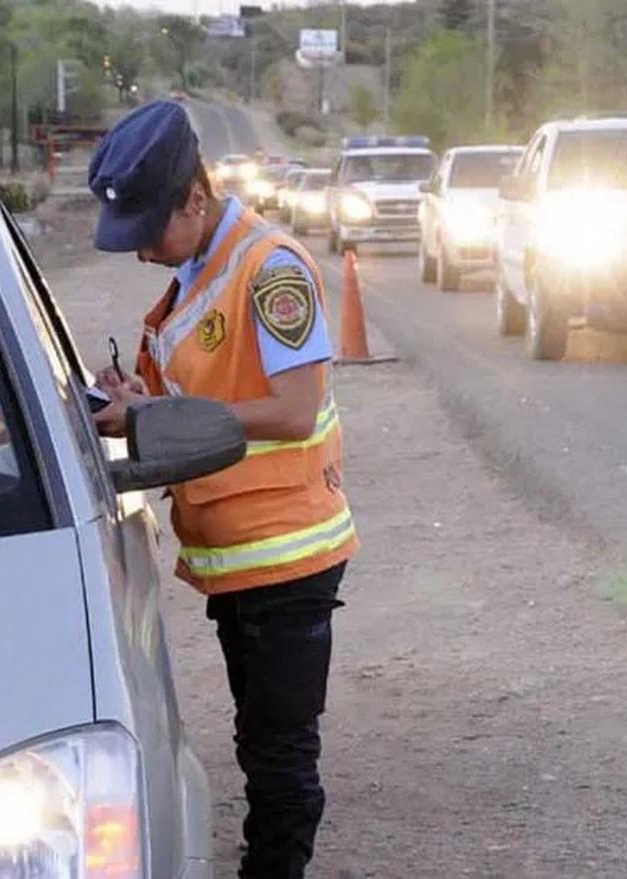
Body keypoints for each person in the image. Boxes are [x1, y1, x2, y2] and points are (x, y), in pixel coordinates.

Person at [86, 101, 359, 879]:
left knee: (279, 755)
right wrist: (140, 399)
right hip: (237, 554)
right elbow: (195, 397)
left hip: (289, 554)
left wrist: (158, 413)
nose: (141, 252)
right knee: (259, 739)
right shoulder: (192, 277)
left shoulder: (269, 267)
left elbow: (295, 407)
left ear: (195, 200)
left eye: (148, 231)